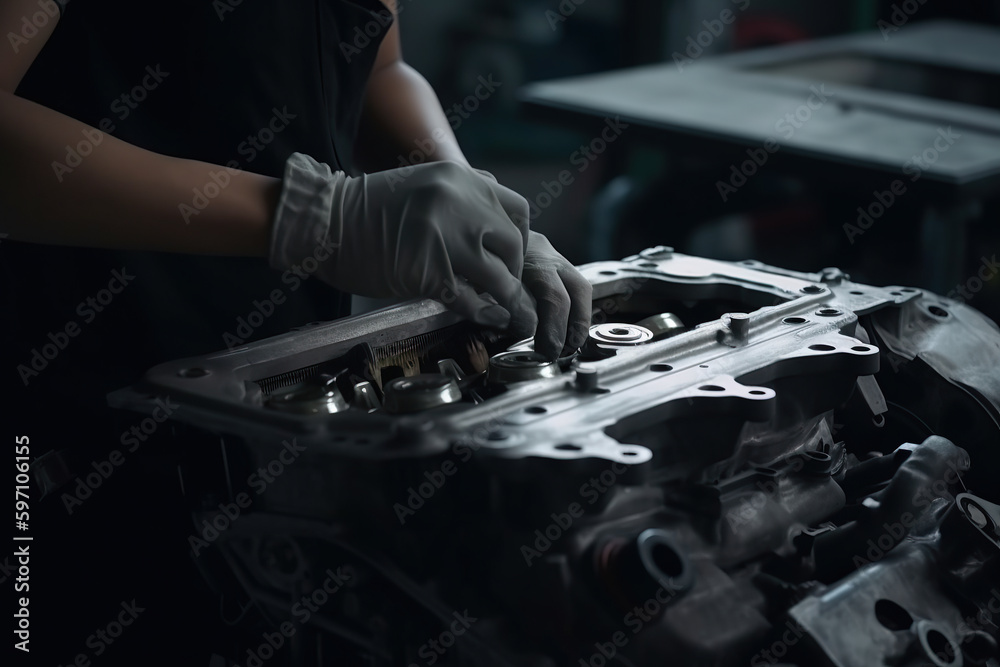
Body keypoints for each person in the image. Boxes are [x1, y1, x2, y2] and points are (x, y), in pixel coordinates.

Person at [0, 0, 590, 661]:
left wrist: (477, 211)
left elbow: (379, 66)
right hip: (78, 420)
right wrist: (317, 218)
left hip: (275, 410)